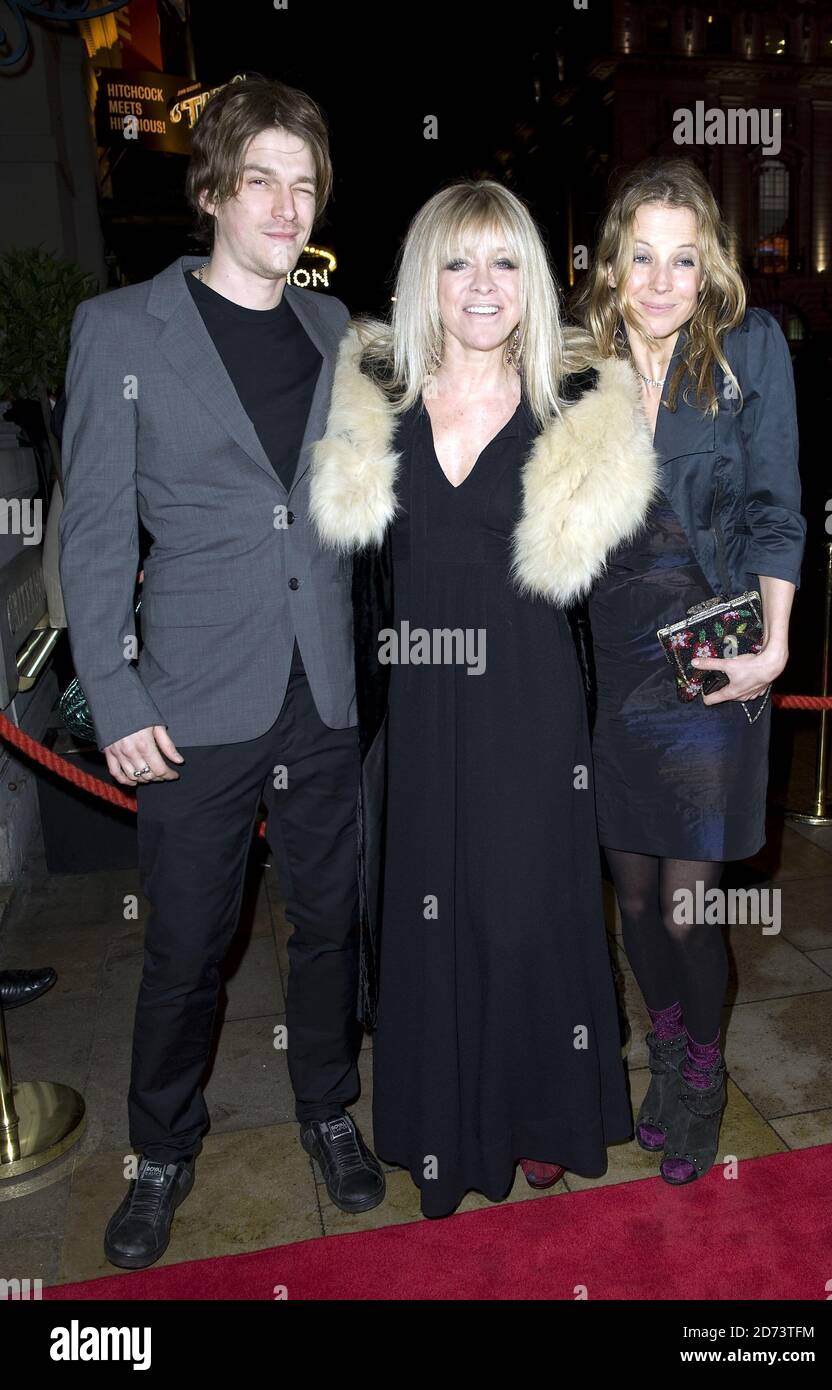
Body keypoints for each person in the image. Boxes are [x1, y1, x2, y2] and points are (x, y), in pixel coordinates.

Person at [58, 76, 384, 1271]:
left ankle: (326, 1114)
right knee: (188, 944)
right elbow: (88, 532)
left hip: (322, 687)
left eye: (305, 186)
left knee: (326, 925)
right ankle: (159, 1153)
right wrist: (121, 693)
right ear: (211, 191)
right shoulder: (120, 331)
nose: (287, 206)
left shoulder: (333, 327)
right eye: (263, 181)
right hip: (190, 700)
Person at [310, 180, 658, 1217]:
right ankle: (444, 1129)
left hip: (534, 712)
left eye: (504, 262)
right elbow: (333, 577)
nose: (480, 285)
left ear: (534, 281)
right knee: (430, 921)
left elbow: (632, 590)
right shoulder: (373, 402)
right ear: (426, 276)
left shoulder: (581, 407)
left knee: (526, 915)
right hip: (418, 718)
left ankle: (545, 1114)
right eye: (457, 262)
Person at [575, 157, 805, 1185]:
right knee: (630, 898)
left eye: (682, 257)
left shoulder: (749, 347)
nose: (661, 280)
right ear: (612, 265)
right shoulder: (580, 366)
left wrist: (775, 643)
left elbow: (776, 509)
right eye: (641, 257)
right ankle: (663, 1052)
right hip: (612, 656)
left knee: (684, 904)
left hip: (712, 662)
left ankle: (703, 1076)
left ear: (706, 262)